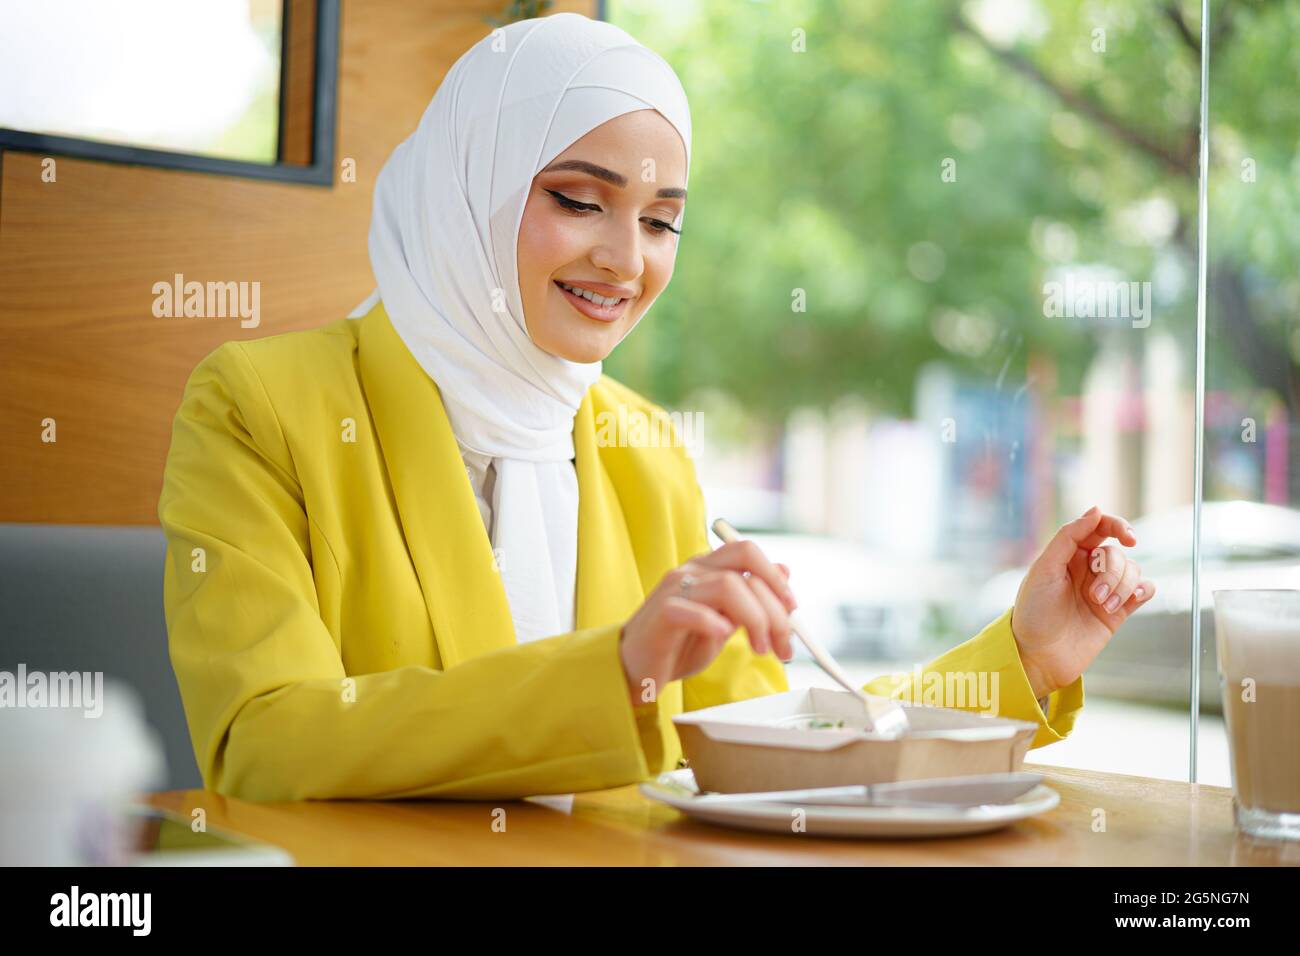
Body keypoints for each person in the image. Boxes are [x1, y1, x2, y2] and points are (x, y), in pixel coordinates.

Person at [157, 13, 1153, 801]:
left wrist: (1020, 655)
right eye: (579, 201)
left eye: (662, 219)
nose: (625, 260)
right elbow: (266, 739)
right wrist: (617, 672)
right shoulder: (261, 406)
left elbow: (766, 742)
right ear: (474, 187)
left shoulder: (639, 445)